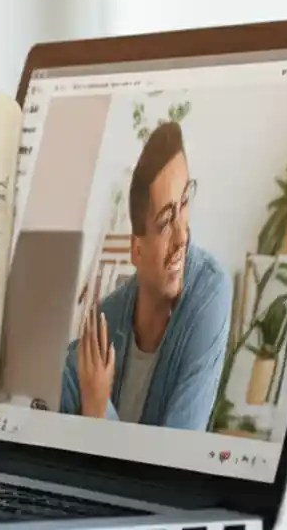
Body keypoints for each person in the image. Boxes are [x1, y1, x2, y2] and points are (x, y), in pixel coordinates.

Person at [60, 121, 232, 430]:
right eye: (166, 219)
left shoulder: (210, 296)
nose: (183, 237)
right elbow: (56, 393)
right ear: (136, 251)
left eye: (184, 202)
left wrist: (98, 407)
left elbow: (176, 453)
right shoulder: (106, 319)